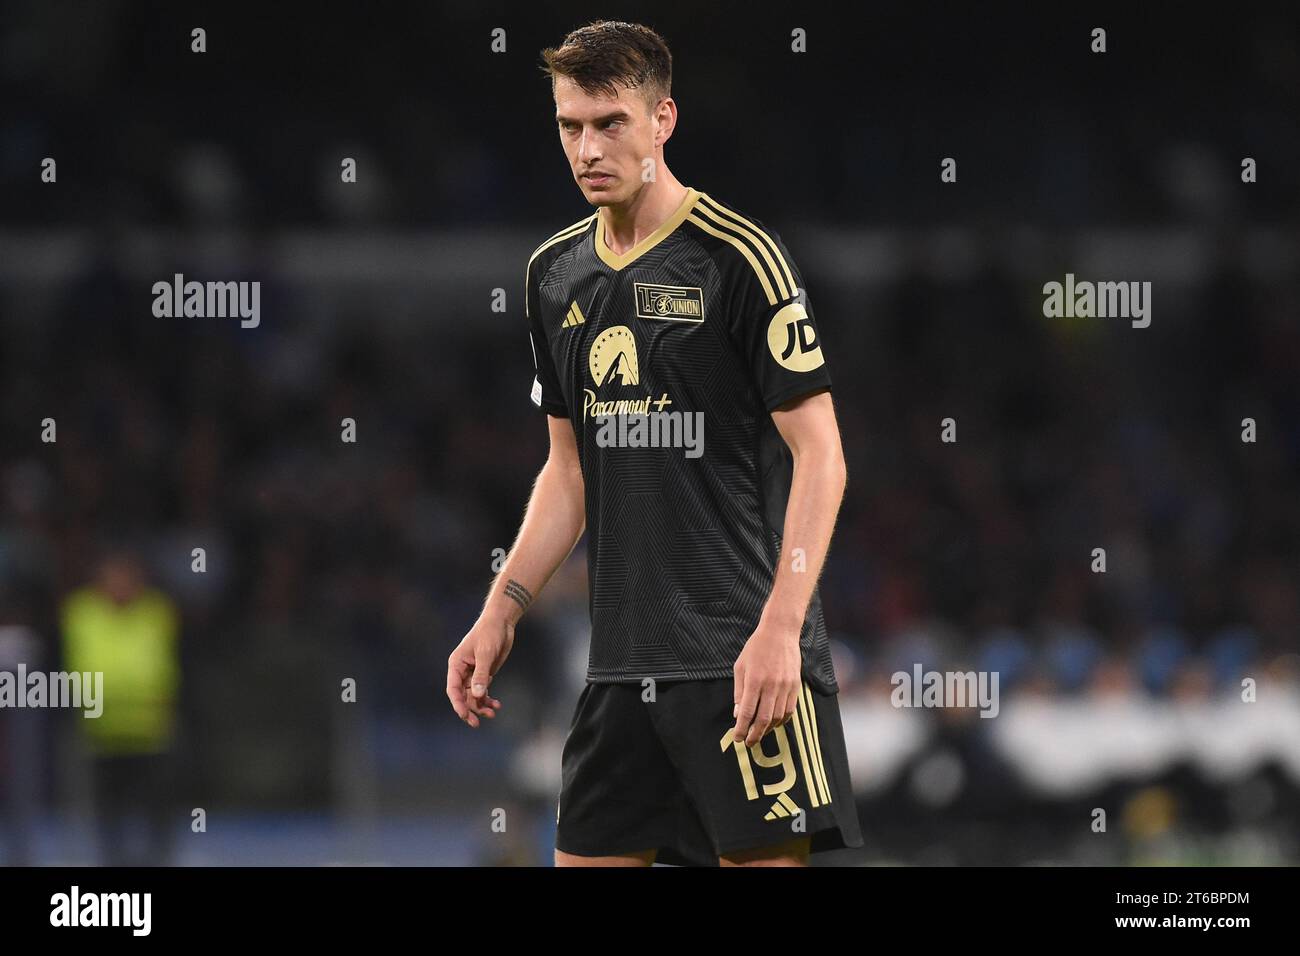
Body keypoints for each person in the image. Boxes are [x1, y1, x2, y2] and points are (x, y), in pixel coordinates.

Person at [447, 20, 862, 867]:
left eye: (610, 123)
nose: (587, 147)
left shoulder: (740, 259)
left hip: (741, 663)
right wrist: (501, 609)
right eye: (570, 125)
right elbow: (568, 472)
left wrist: (781, 627)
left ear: (662, 120)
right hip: (618, 673)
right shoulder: (553, 275)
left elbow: (823, 454)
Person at [61, 545, 180, 865]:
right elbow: (84, 665)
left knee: (157, 809)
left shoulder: (156, 611)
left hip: (150, 729)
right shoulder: (82, 612)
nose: (121, 583)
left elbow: (161, 666)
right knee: (108, 813)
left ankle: (159, 859)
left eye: (127, 575)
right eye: (114, 575)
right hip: (101, 733)